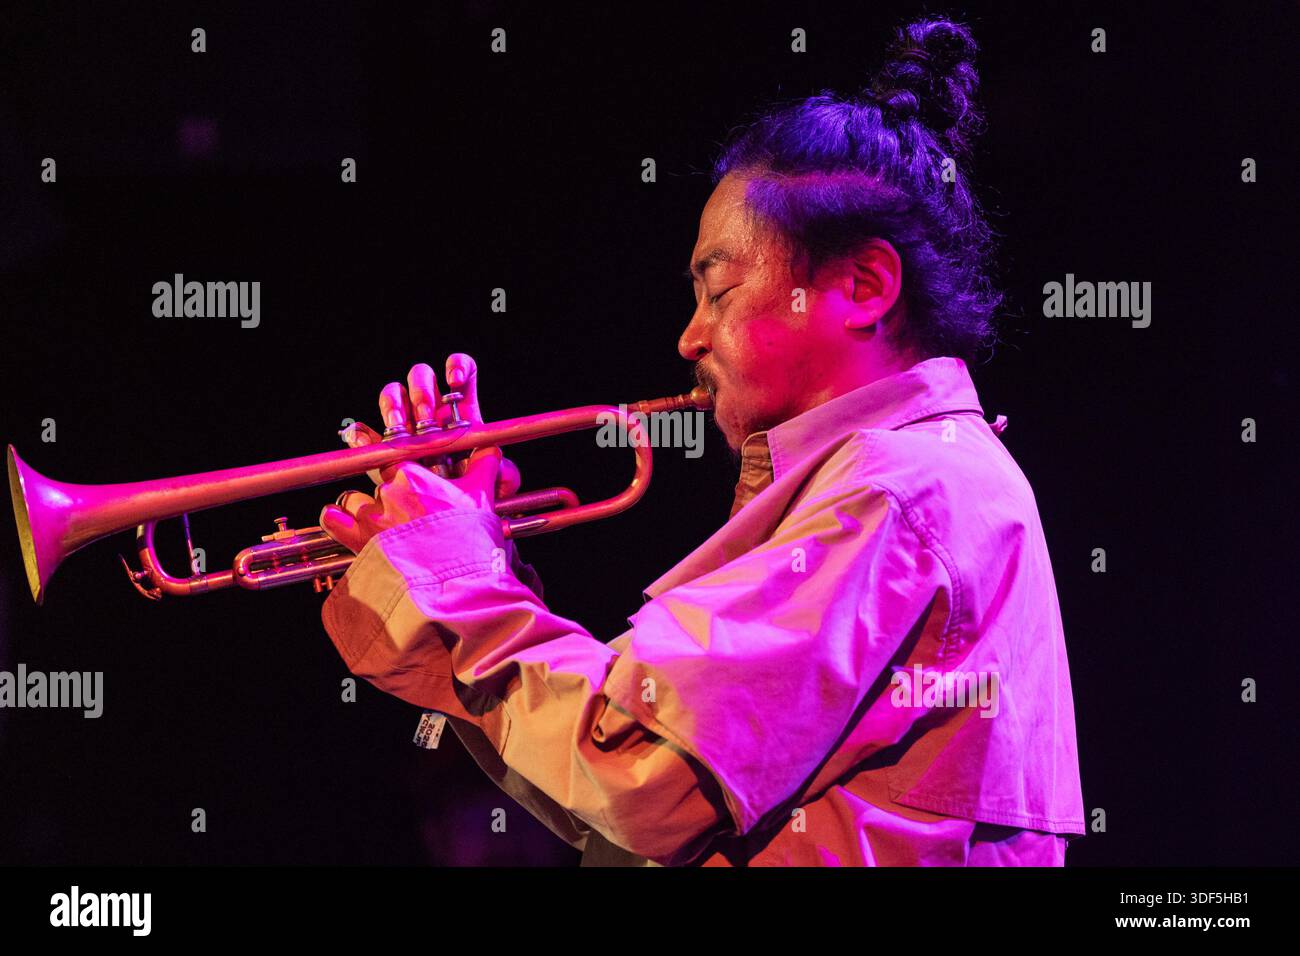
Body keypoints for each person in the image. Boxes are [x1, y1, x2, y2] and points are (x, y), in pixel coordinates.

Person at [316, 17, 1085, 866]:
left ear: (864, 287)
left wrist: (457, 581)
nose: (689, 336)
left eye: (718, 290)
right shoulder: (908, 480)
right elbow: (611, 807)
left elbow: (641, 774)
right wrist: (466, 574)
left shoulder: (897, 490)